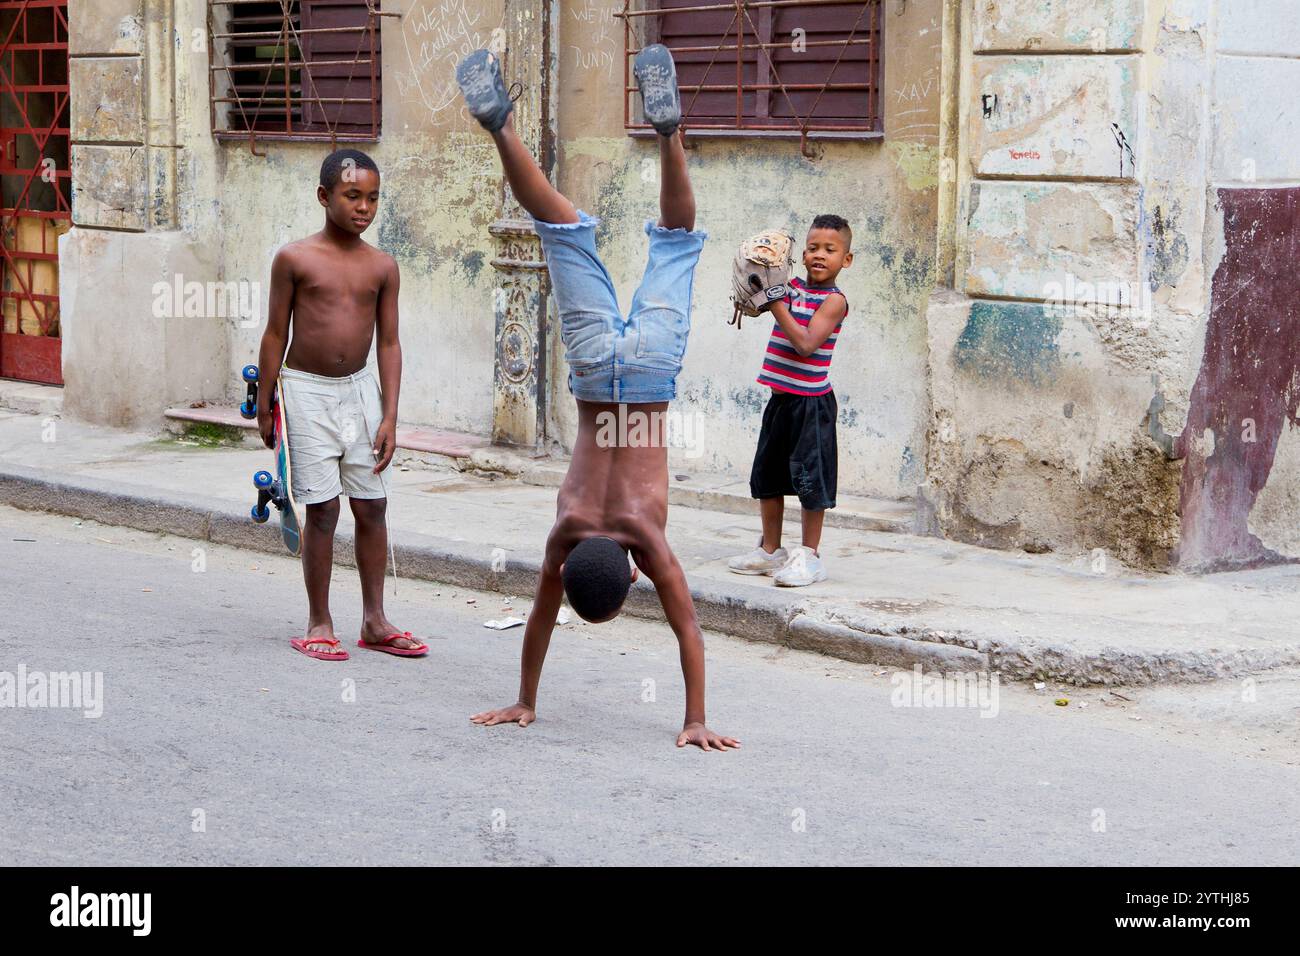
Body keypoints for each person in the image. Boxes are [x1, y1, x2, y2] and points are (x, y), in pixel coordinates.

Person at [457, 44, 738, 750]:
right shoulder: (567, 530)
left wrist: (696, 718)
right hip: (592, 372)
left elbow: (688, 630)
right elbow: (543, 613)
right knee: (561, 228)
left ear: (635, 574)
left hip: (645, 377)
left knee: (676, 242)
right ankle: (500, 127)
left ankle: (670, 135)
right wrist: (522, 696)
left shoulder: (646, 537)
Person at [255, 148, 426, 662]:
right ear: (324, 196)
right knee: (323, 509)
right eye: (353, 196)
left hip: (361, 392)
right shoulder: (295, 258)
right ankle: (319, 621)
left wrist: (391, 415)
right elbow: (274, 332)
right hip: (305, 390)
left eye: (373, 198)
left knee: (372, 505)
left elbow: (390, 344)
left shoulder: (382, 266)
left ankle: (374, 621)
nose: (364, 207)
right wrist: (266, 402)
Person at [727, 215, 852, 587]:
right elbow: (765, 299)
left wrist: (774, 299)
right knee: (767, 477)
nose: (819, 255)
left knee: (809, 482)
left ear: (846, 260)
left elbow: (805, 343)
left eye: (830, 250)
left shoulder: (834, 301)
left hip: (812, 407)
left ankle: (810, 556)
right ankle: (771, 550)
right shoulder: (791, 287)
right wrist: (757, 290)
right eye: (813, 248)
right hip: (780, 400)